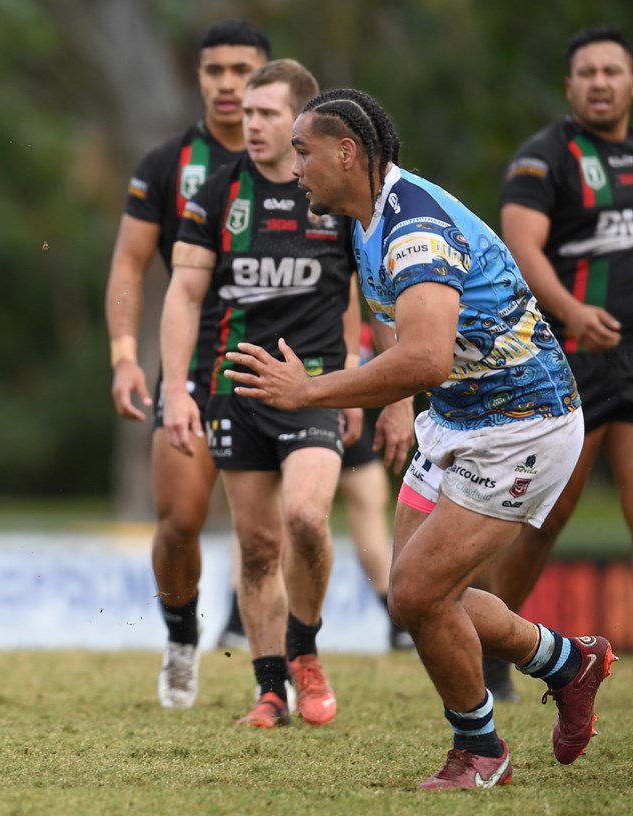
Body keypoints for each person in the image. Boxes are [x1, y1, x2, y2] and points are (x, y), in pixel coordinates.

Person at [224, 87, 615, 788]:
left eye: (304, 152)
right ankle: (568, 662)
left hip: (523, 425)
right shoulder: (366, 216)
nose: (294, 167)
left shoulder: (415, 230)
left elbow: (428, 357)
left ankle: (482, 750)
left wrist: (310, 391)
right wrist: (399, 404)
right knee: (422, 595)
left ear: (348, 153)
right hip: (458, 418)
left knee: (418, 592)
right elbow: (396, 324)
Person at [161, 60, 412, 728]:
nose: (253, 124)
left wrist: (390, 395)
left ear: (301, 119)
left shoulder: (336, 194)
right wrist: (178, 389)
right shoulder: (216, 194)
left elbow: (378, 299)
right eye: (248, 112)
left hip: (316, 387)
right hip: (235, 390)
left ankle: (305, 648)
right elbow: (183, 295)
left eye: (268, 113)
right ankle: (270, 689)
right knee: (257, 547)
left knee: (305, 517)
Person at [105, 19, 271, 708]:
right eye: (214, 70)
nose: (228, 84)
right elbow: (129, 266)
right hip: (197, 367)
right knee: (179, 521)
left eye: (242, 70)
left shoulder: (304, 159)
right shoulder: (166, 164)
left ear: (266, 76)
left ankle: (288, 664)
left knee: (282, 529)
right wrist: (124, 357)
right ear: (198, 78)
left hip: (287, 363)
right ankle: (181, 639)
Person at [480, 24, 633, 702]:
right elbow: (520, 246)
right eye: (588, 72)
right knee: (549, 513)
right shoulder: (545, 157)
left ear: (629, 82)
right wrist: (572, 312)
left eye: (612, 70)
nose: (600, 82)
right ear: (570, 85)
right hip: (572, 360)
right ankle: (493, 645)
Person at [338, 323, 414, 651]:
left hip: (333, 390)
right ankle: (239, 619)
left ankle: (393, 616)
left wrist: (399, 400)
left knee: (369, 490)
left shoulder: (370, 324)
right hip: (303, 382)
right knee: (279, 503)